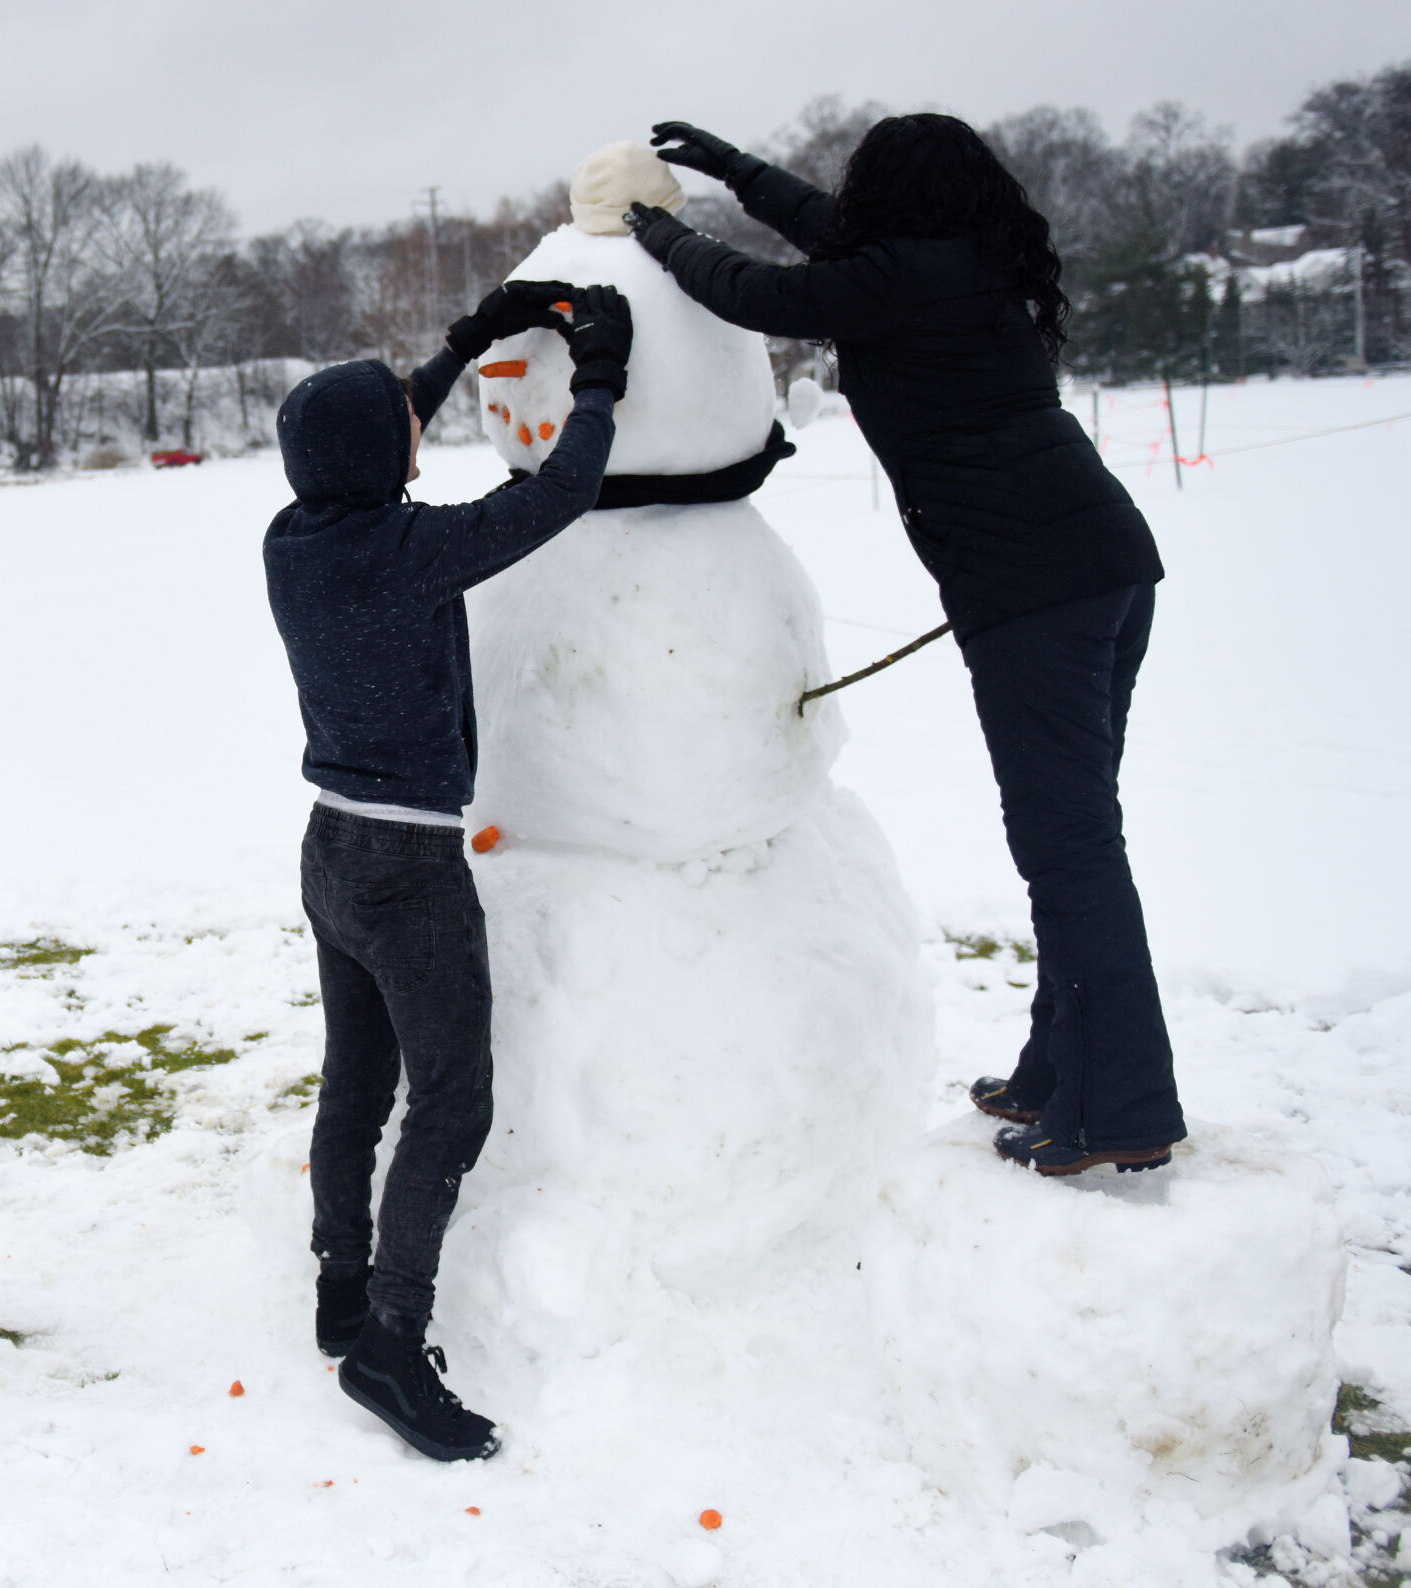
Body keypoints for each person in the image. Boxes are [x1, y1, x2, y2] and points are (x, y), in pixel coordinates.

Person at [627, 114, 1185, 1177]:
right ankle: (1057, 1072)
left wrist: (656, 230)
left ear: (884, 193)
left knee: (1067, 847)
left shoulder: (893, 279)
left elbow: (754, 293)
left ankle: (1121, 1108)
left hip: (1035, 589)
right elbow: (821, 230)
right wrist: (731, 167)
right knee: (1074, 838)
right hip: (1100, 562)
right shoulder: (963, 264)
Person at [264, 280, 632, 1460]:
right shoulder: (408, 551)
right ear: (380, 460)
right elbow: (556, 495)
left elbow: (378, 435)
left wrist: (467, 342)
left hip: (329, 845)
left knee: (355, 1078)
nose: (413, 432)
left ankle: (338, 1284)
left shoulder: (296, 538)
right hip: (405, 865)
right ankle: (388, 1341)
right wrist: (598, 380)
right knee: (452, 1098)